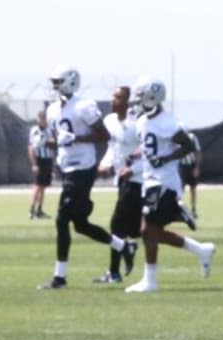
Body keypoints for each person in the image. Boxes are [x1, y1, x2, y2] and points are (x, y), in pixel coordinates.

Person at [38, 65, 138, 290]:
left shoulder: (83, 105)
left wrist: (76, 138)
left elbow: (103, 135)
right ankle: (123, 246)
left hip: (83, 168)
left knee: (61, 220)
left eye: (58, 81)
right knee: (80, 225)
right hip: (68, 169)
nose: (54, 86)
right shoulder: (53, 109)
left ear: (70, 81)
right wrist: (49, 144)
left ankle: (60, 277)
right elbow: (60, 140)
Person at [124, 76, 215, 293]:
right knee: (150, 232)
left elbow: (188, 145)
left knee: (148, 230)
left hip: (164, 182)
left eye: (140, 96)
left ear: (152, 97)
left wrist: (166, 159)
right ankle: (200, 249)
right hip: (150, 181)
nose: (136, 100)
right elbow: (150, 146)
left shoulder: (168, 122)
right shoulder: (142, 122)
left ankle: (150, 281)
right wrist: (136, 155)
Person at [94, 85, 142, 284]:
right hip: (122, 180)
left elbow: (148, 150)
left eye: (118, 97)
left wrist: (134, 169)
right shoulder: (109, 121)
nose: (113, 100)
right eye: (113, 97)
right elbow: (112, 148)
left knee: (117, 225)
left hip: (138, 180)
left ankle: (114, 272)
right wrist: (104, 163)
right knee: (136, 229)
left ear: (128, 101)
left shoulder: (137, 122)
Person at [27, 109, 54, 219]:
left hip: (48, 159)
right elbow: (31, 147)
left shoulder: (49, 130)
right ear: (38, 120)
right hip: (40, 160)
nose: (43, 121)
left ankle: (39, 210)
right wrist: (34, 164)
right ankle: (31, 209)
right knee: (38, 186)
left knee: (43, 186)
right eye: (41, 119)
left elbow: (53, 144)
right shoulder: (35, 131)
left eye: (44, 119)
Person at [178, 128, 203, 218]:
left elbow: (198, 152)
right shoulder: (176, 138)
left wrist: (197, 167)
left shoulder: (192, 137)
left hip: (191, 165)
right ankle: (179, 211)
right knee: (179, 190)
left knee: (193, 188)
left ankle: (193, 209)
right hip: (181, 166)